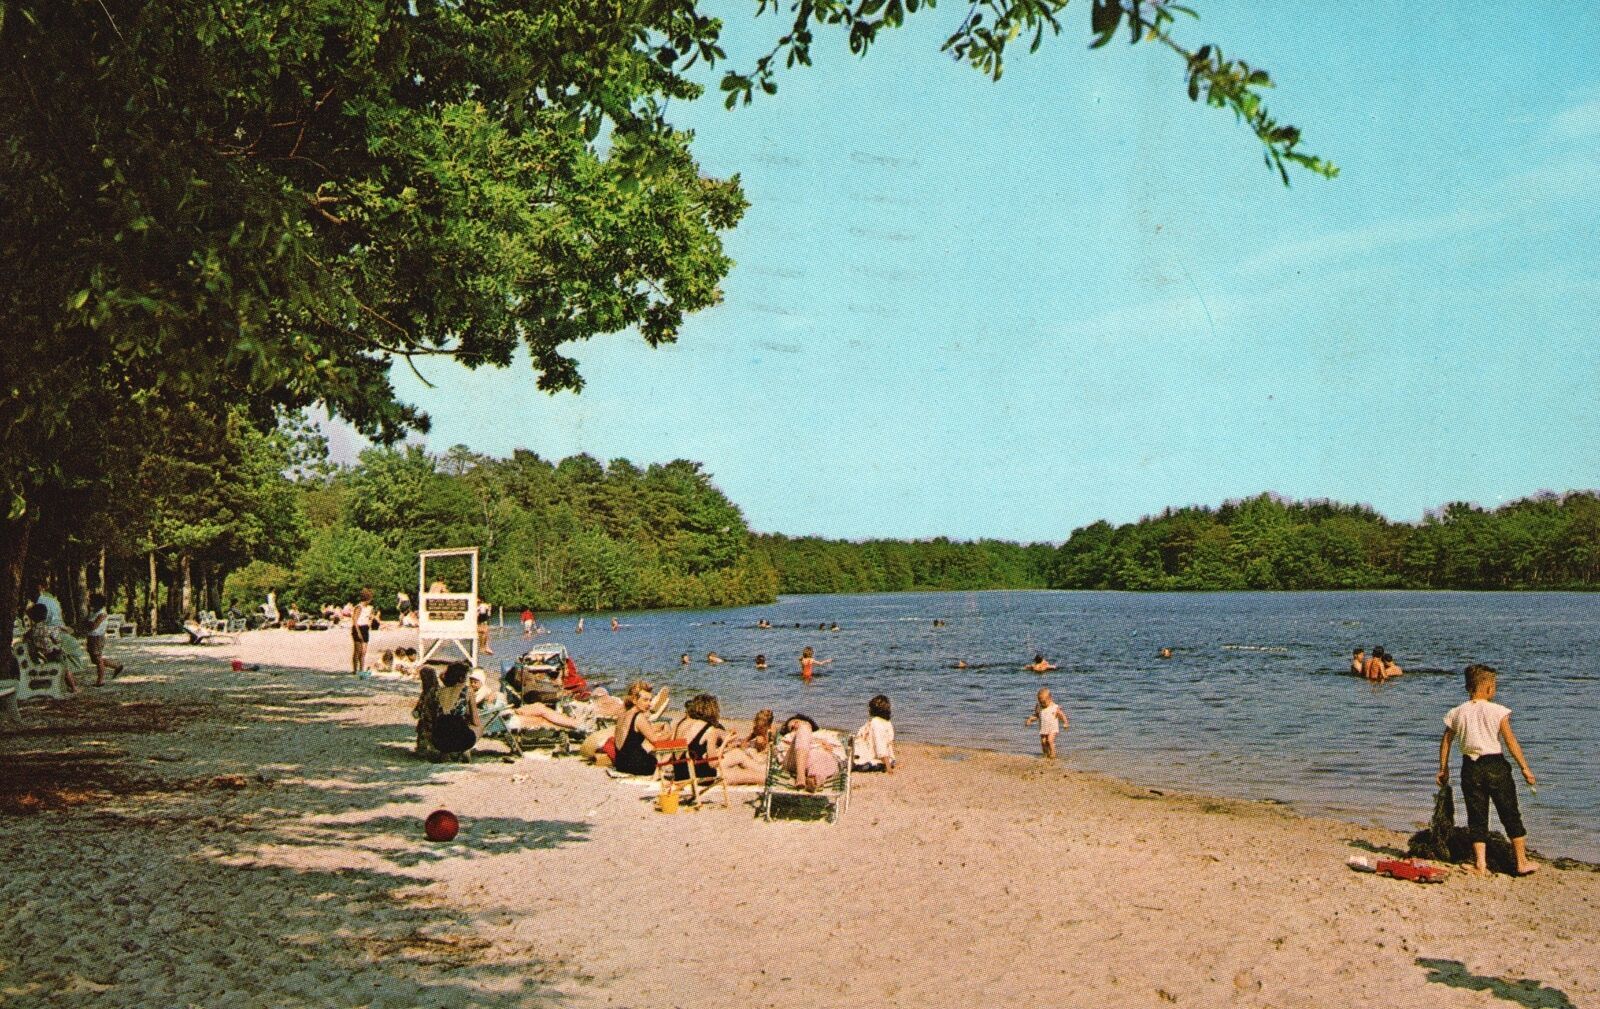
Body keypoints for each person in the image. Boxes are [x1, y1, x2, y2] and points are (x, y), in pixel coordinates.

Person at [1438, 664, 1538, 876]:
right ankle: (1521, 861)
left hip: (1470, 767)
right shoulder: (1498, 711)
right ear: (1488, 688)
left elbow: (1446, 740)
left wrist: (1443, 768)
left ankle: (1480, 864)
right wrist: (1525, 768)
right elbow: (1511, 742)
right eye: (1495, 686)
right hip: (1495, 766)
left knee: (1476, 816)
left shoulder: (1457, 712)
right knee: (1509, 812)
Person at [612, 680, 673, 775]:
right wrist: (672, 733)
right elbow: (656, 741)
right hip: (636, 765)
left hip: (620, 763)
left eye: (650, 700)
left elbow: (633, 734)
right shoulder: (639, 717)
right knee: (675, 748)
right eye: (645, 700)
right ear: (634, 700)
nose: (649, 704)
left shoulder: (623, 714)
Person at [22, 602, 80, 693]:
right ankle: (74, 687)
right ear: (45, 615)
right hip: (54, 653)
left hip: (43, 655)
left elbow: (26, 641)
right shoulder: (49, 629)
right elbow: (57, 640)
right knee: (66, 670)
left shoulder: (30, 632)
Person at [669, 694, 728, 783]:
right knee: (738, 756)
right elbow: (713, 763)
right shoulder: (710, 729)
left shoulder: (682, 723)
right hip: (697, 776)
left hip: (679, 773)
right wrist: (725, 742)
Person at [782, 714, 839, 792]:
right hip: (794, 761)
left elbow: (839, 753)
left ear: (808, 722)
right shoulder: (789, 736)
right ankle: (801, 776)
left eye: (796, 722)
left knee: (819, 755)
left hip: (820, 759)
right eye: (791, 728)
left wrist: (829, 748)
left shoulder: (825, 734)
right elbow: (781, 751)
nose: (795, 726)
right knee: (804, 729)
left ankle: (813, 780)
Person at [717, 709, 775, 785]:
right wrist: (750, 737)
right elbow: (746, 741)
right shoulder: (757, 729)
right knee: (739, 748)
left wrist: (762, 742)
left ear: (768, 726)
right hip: (754, 751)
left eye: (761, 727)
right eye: (757, 726)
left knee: (744, 750)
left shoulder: (771, 732)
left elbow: (768, 746)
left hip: (761, 756)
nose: (758, 728)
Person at [84, 592, 125, 686]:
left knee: (97, 659)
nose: (88, 602)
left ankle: (100, 680)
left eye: (90, 601)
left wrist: (87, 623)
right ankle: (116, 666)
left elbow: (93, 626)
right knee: (95, 659)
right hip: (91, 636)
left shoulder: (102, 614)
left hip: (97, 637)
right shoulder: (93, 612)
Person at [852, 694, 896, 772]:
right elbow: (888, 742)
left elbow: (880, 744)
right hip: (886, 757)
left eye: (870, 708)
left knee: (858, 763)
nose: (868, 710)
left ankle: (883, 763)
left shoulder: (875, 722)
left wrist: (888, 767)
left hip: (874, 757)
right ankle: (887, 762)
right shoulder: (887, 722)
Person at [1025, 687, 1069, 758]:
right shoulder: (1039, 707)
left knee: (1050, 740)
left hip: (1052, 728)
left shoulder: (1054, 707)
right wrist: (1030, 719)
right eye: (1040, 702)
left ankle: (1053, 754)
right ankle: (1046, 754)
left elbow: (1061, 715)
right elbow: (1037, 715)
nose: (1042, 704)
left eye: (1044, 702)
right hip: (1043, 728)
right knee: (1043, 742)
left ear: (1050, 699)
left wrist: (1065, 722)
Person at [413, 665, 442, 759]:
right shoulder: (430, 691)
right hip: (427, 720)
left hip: (431, 720)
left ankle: (427, 749)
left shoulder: (434, 692)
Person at [350, 589, 375, 673]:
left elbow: (370, 617)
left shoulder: (369, 608)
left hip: (365, 628)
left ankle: (361, 669)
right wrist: (358, 632)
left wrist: (370, 622)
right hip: (358, 628)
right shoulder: (359, 607)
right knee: (358, 651)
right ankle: (354, 669)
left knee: (363, 652)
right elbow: (355, 620)